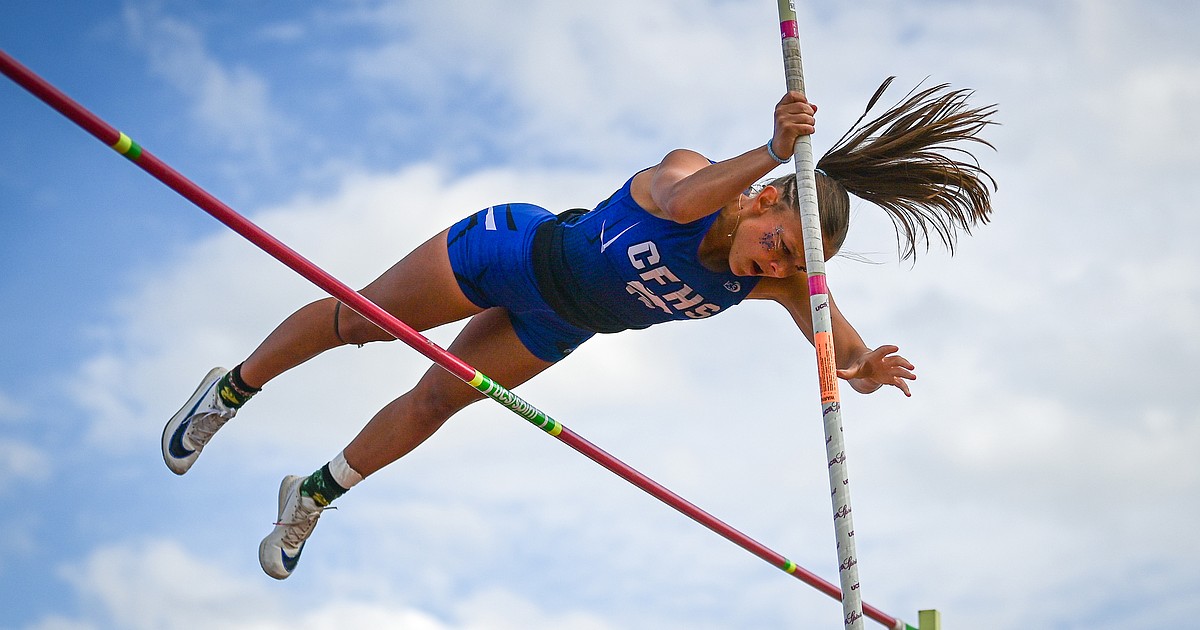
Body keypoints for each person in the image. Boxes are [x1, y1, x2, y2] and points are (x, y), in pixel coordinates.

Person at [162, 77, 996, 580]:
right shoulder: (693, 179)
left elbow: (837, 341)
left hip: (558, 324)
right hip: (510, 254)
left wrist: (863, 368)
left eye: (785, 267)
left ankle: (312, 496)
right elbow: (673, 204)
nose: (769, 267)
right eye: (774, 244)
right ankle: (229, 391)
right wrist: (771, 149)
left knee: (431, 406)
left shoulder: (773, 282)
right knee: (361, 322)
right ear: (764, 202)